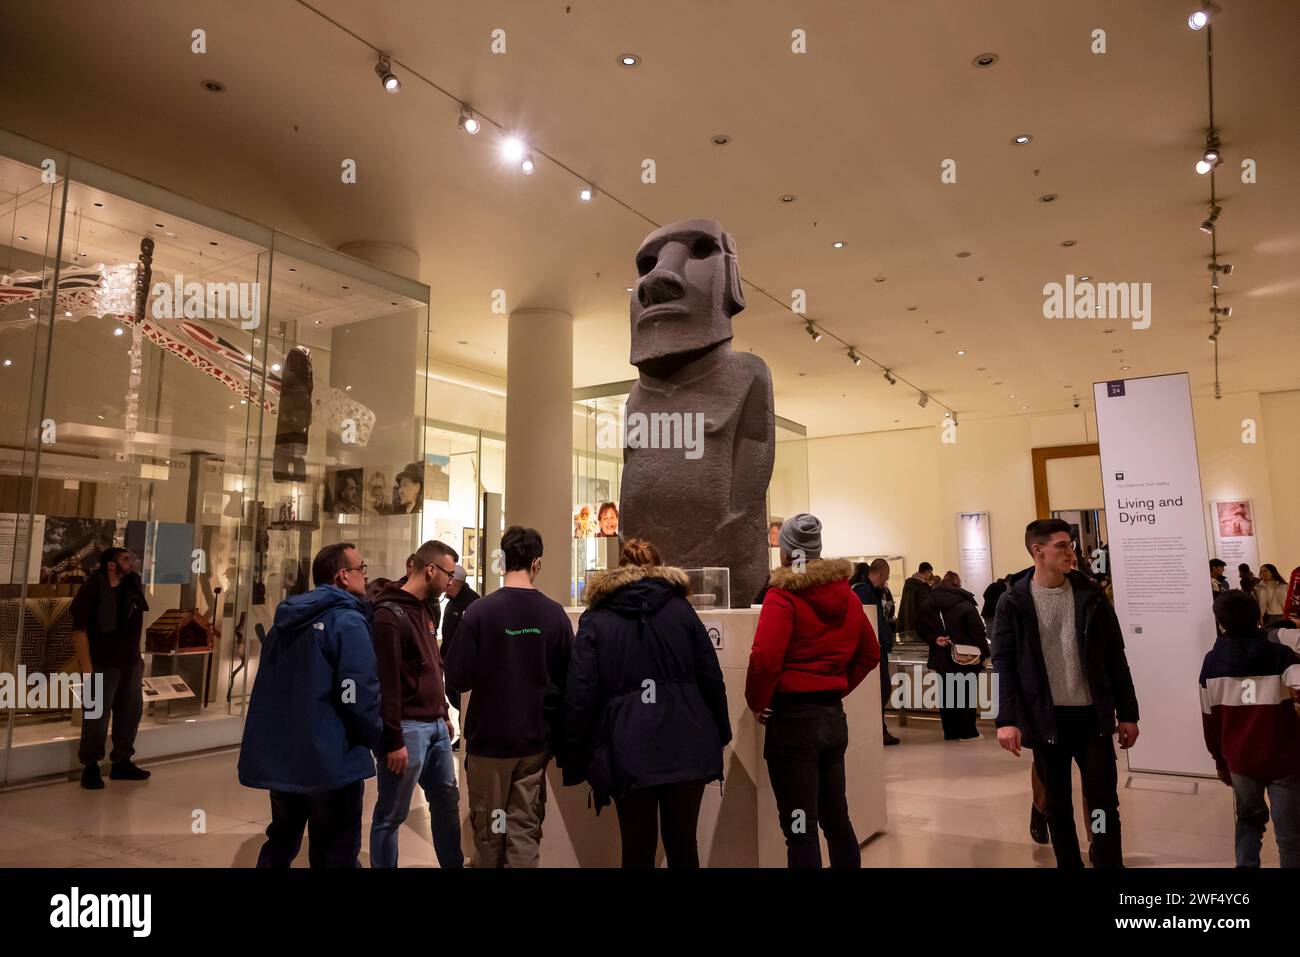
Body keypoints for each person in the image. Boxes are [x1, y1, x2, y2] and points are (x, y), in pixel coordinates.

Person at [565, 537, 731, 868]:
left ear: (620, 568)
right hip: (688, 739)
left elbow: (580, 691)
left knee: (637, 846)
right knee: (683, 843)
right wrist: (719, 733)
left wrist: (577, 753)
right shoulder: (681, 609)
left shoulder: (597, 618)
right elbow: (711, 676)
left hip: (628, 745)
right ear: (659, 566)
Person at [993, 519, 1139, 868]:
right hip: (1046, 720)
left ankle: (1105, 860)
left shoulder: (1091, 596)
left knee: (1103, 802)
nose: (1070, 551)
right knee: (1056, 805)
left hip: (1092, 718)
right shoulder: (1013, 601)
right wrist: (1007, 719)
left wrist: (1128, 713)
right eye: (1061, 545)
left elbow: (1114, 657)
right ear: (1037, 551)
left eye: (1071, 544)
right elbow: (1004, 664)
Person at [746, 513, 879, 868]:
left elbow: (764, 659)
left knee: (799, 828)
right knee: (837, 820)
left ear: (787, 553)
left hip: (792, 723)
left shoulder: (783, 595)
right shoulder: (847, 595)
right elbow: (870, 653)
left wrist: (758, 702)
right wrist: (834, 687)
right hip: (831, 719)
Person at [238, 543, 382, 868]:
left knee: (282, 838)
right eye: (362, 568)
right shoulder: (346, 621)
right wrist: (377, 736)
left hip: (286, 759)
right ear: (343, 576)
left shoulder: (285, 622)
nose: (366, 575)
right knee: (336, 851)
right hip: (332, 761)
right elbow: (359, 692)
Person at [444, 526, 573, 867]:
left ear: (502, 559)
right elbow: (569, 681)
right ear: (537, 563)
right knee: (522, 830)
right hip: (533, 744)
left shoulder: (480, 613)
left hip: (489, 743)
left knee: (489, 833)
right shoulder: (554, 615)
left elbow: (457, 677)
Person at [368, 540, 463, 869]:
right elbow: (388, 681)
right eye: (449, 574)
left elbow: (432, 664)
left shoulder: (425, 609)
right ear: (431, 570)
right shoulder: (388, 614)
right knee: (391, 813)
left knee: (447, 803)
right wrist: (393, 739)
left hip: (435, 726)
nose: (451, 581)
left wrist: (443, 714)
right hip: (406, 730)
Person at [1199, 590, 1300, 867]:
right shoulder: (1281, 655)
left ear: (1220, 623)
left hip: (1240, 759)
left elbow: (1209, 717)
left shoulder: (1211, 662)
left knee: (1248, 823)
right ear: (1258, 617)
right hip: (1285, 756)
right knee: (1291, 836)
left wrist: (1219, 760)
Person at [73, 547, 151, 789]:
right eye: (126, 559)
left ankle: (121, 761)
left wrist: (138, 659)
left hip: (129, 661)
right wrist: (87, 666)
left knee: (131, 712)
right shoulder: (93, 588)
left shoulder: (132, 584)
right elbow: (79, 630)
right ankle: (90, 766)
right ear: (111, 564)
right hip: (102, 662)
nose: (132, 562)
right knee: (96, 716)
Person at [917, 569, 989, 741]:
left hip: (941, 655)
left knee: (947, 695)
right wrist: (984, 653)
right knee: (965, 694)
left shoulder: (929, 603)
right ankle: (967, 732)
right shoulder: (966, 604)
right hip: (966, 657)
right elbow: (978, 631)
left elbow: (920, 627)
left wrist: (934, 639)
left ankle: (950, 731)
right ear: (958, 585)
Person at [852, 560, 900, 746]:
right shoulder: (864, 591)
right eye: (885, 578)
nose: (886, 582)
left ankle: (879, 729)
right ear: (880, 573)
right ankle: (878, 730)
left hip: (877, 647)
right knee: (881, 689)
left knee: (882, 689)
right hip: (875, 649)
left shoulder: (867, 590)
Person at [439, 563, 480, 748]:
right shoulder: (451, 602)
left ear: (456, 582)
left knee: (463, 699)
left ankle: (465, 736)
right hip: (448, 659)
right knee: (451, 695)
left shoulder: (472, 603)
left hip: (464, 662)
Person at [896, 562, 934, 642]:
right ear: (927, 572)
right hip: (916, 628)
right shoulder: (922, 587)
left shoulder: (908, 584)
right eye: (930, 572)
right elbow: (925, 608)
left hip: (905, 628)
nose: (931, 575)